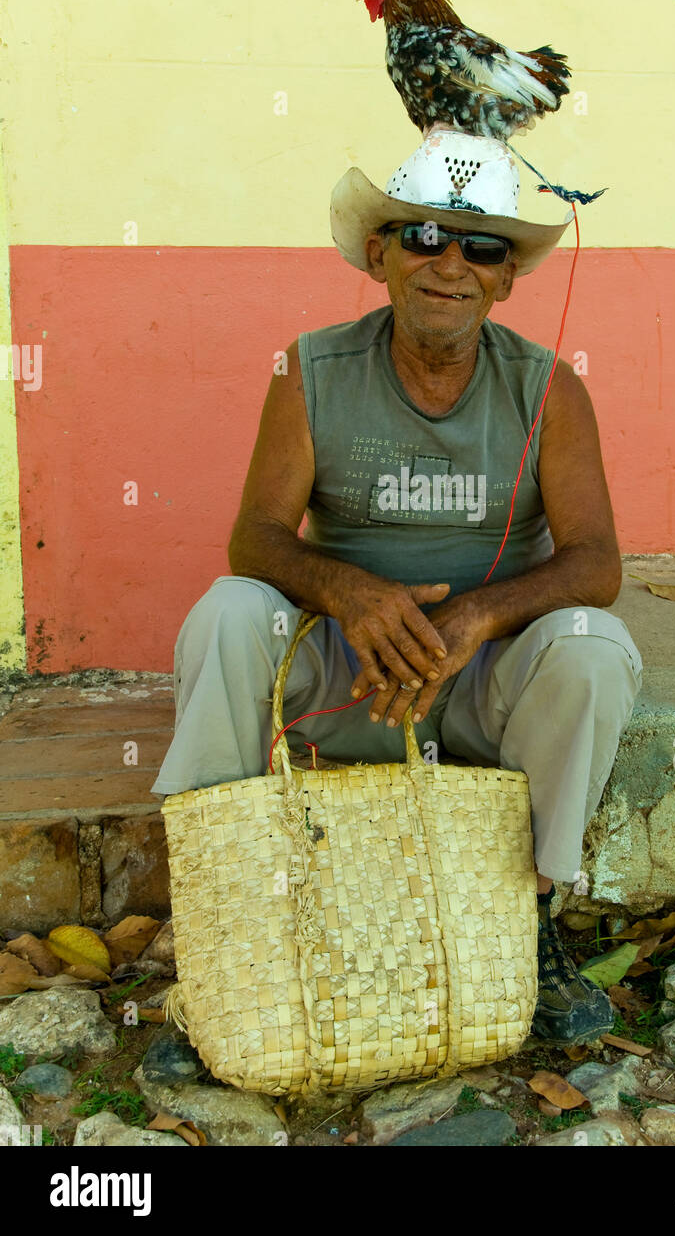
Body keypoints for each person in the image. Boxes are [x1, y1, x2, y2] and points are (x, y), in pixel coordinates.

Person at [151, 129, 644, 1044]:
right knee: (226, 612)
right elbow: (253, 539)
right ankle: (218, 907)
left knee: (592, 648)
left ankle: (528, 918)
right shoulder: (309, 371)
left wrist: (474, 616)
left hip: (476, 692)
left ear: (504, 278)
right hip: (345, 676)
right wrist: (351, 593)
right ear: (379, 254)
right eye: (422, 236)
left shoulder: (550, 391)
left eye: (480, 247)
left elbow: (595, 564)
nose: (448, 264)